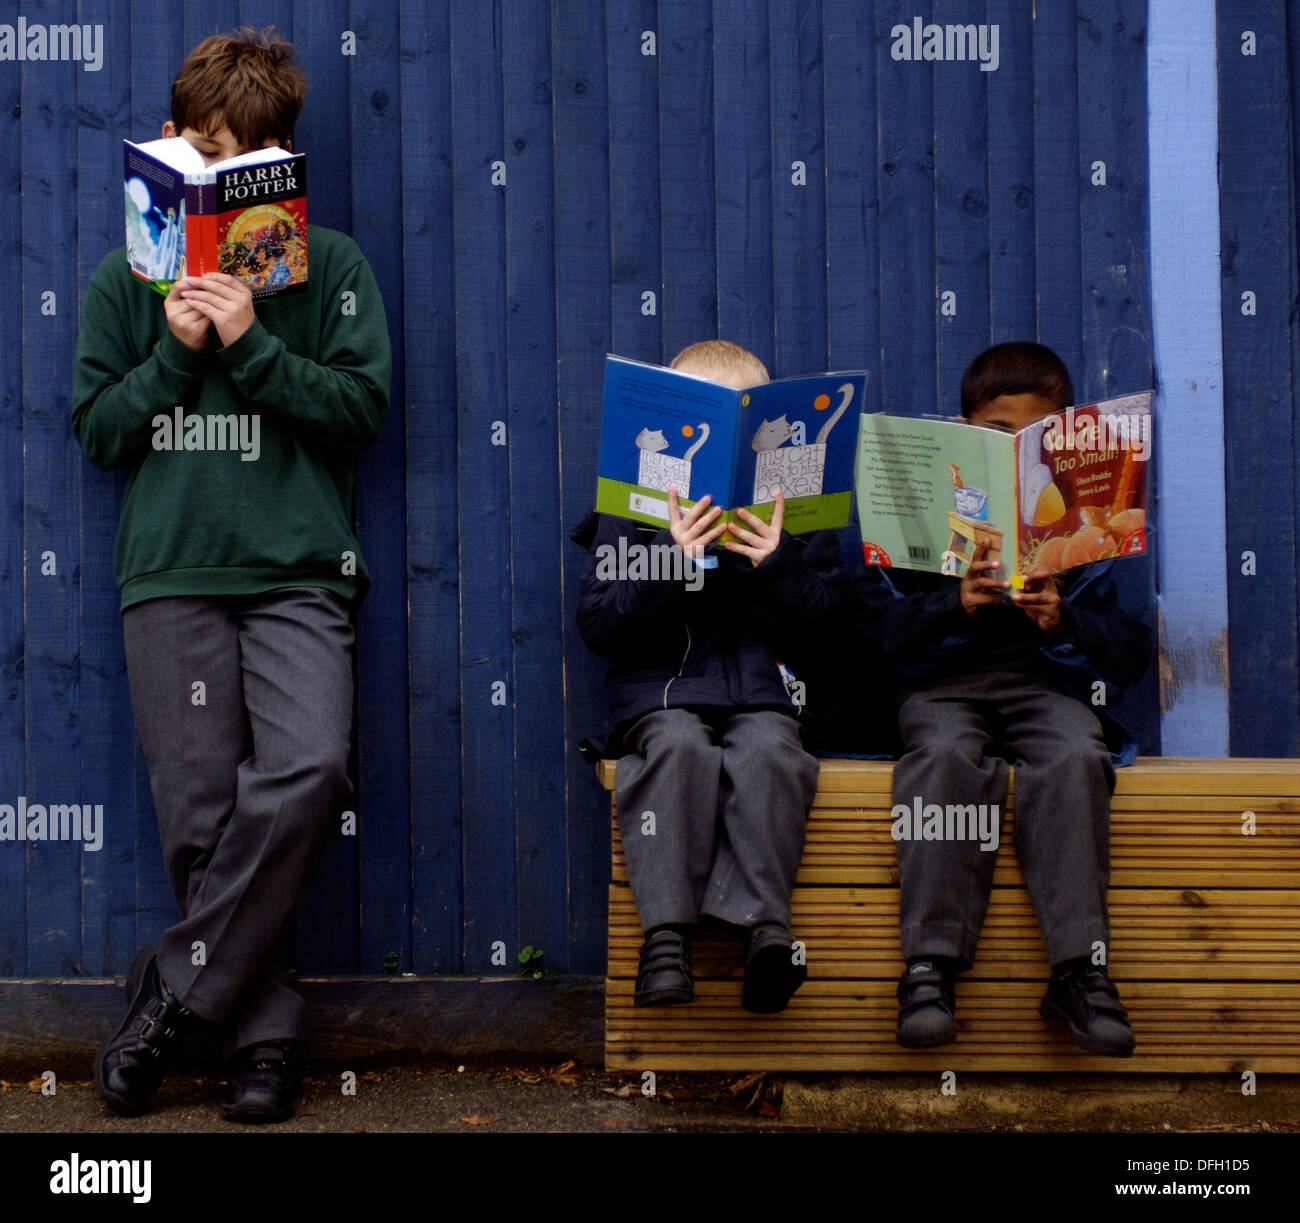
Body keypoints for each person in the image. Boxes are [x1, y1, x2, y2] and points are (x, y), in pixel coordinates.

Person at [72, 27, 390, 1121]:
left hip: (300, 566)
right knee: (202, 820)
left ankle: (167, 993)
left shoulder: (333, 268)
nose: (225, 172)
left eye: (252, 156)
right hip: (171, 571)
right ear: (172, 145)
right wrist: (176, 351)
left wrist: (253, 340)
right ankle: (263, 1037)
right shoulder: (126, 276)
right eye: (208, 153)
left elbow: (361, 412)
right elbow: (100, 432)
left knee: (305, 772)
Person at [854, 342, 1149, 1055]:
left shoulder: (1090, 525)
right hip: (942, 690)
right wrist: (954, 605)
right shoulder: (921, 509)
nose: (1014, 452)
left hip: (1044, 689)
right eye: (994, 437)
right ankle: (928, 967)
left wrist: (1065, 617)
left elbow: (1131, 652)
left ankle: (1080, 972)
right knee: (945, 755)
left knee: (1077, 754)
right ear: (964, 431)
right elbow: (875, 639)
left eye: (1032, 439)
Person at [572, 340, 850, 1013]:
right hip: (662, 695)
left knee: (771, 751)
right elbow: (601, 626)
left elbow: (837, 629)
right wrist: (671, 559)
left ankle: (766, 935)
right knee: (676, 747)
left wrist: (777, 562)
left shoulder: (797, 511)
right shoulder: (632, 508)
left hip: (763, 693)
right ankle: (665, 938)